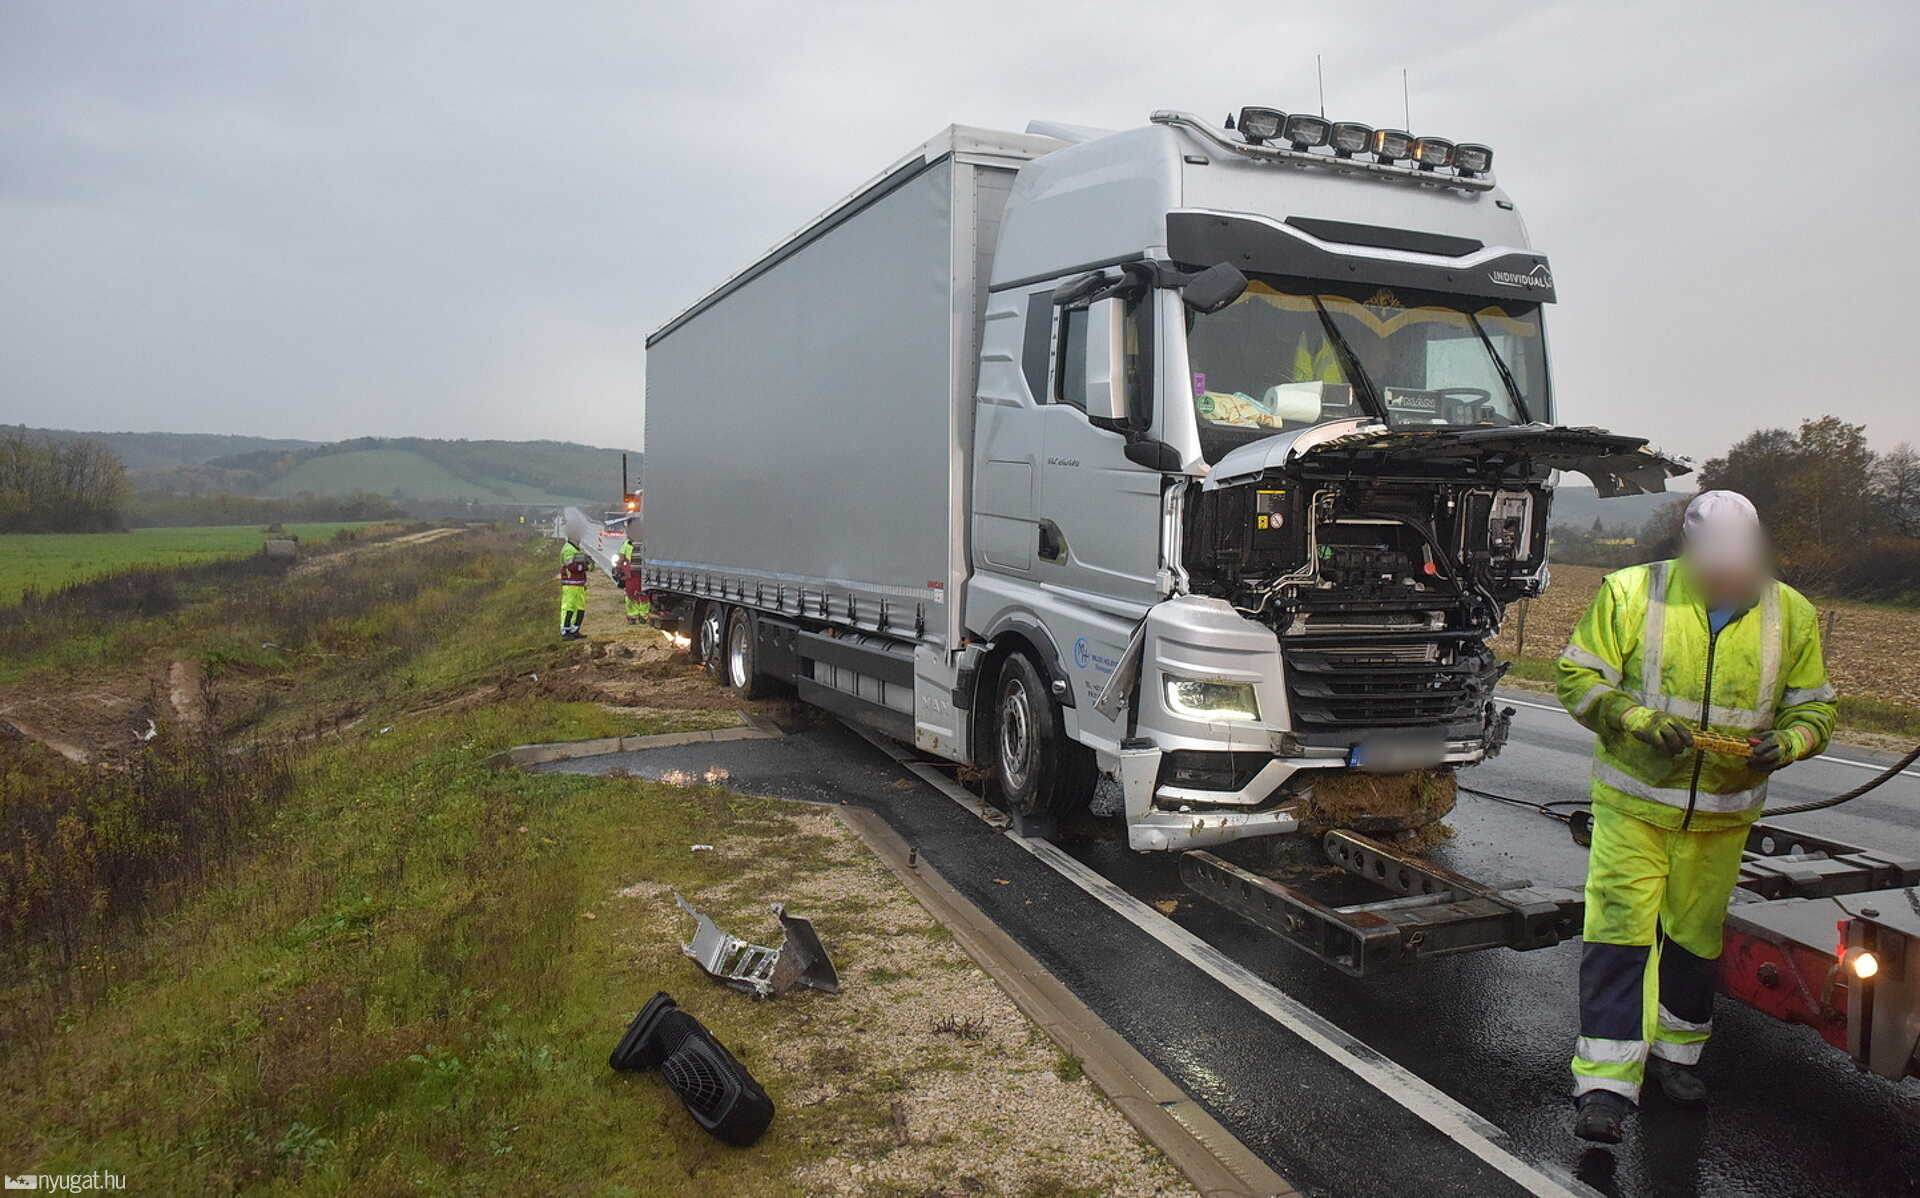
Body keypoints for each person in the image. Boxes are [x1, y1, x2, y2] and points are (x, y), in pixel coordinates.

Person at [1555, 490, 1836, 1143]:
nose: (1727, 579)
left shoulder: (1789, 613)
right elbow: (1578, 678)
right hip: (1635, 804)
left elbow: (1815, 708)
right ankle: (1604, 1085)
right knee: (1620, 937)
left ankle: (1677, 1061)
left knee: (1694, 942)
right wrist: (1636, 718)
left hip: (1723, 815)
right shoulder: (1631, 593)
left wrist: (1789, 742)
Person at [618, 536, 650, 625]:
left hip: (644, 574)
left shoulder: (647, 542)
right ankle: (634, 616)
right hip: (631, 574)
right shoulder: (627, 544)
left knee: (643, 594)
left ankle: (642, 616)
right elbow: (621, 558)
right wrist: (620, 569)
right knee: (631, 594)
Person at [558, 551, 591, 639]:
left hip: (579, 585)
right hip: (570, 585)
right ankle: (565, 631)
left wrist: (587, 563)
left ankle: (574, 630)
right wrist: (584, 565)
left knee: (580, 608)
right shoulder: (569, 549)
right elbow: (574, 568)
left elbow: (587, 568)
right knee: (569, 607)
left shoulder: (576, 548)